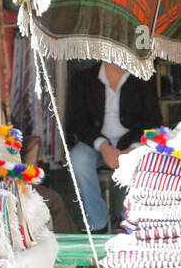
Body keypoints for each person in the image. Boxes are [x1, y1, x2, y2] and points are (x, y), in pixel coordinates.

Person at [66, 61, 162, 232]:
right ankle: (98, 223)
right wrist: (103, 147)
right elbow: (78, 123)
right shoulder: (83, 79)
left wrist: (133, 149)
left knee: (147, 158)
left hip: (132, 142)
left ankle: (130, 220)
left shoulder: (144, 77)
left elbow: (153, 121)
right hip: (96, 143)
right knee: (78, 158)